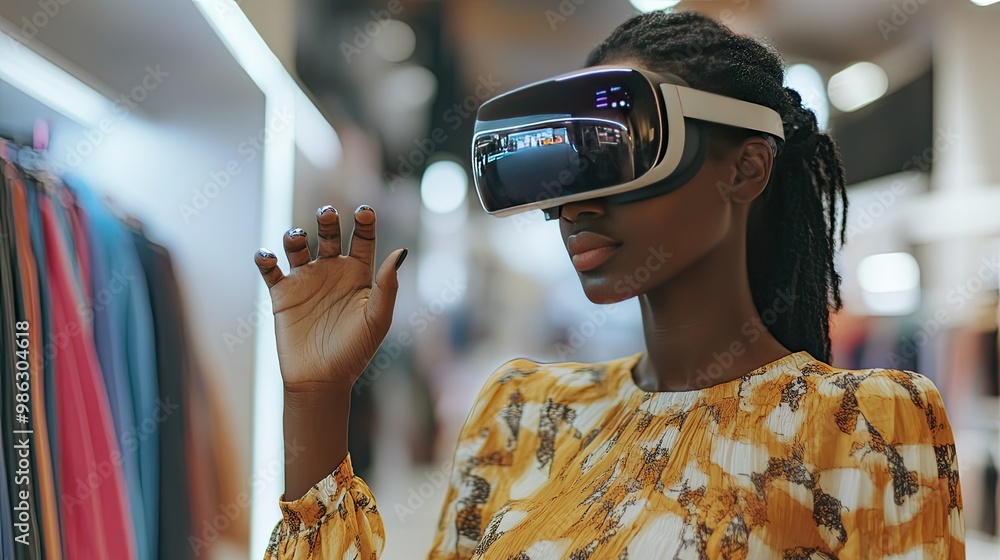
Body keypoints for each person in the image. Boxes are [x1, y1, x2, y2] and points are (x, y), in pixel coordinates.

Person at [253, 10, 964, 559]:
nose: (574, 204)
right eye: (564, 168)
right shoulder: (522, 409)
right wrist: (317, 404)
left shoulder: (863, 424)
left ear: (744, 169)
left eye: (618, 149)